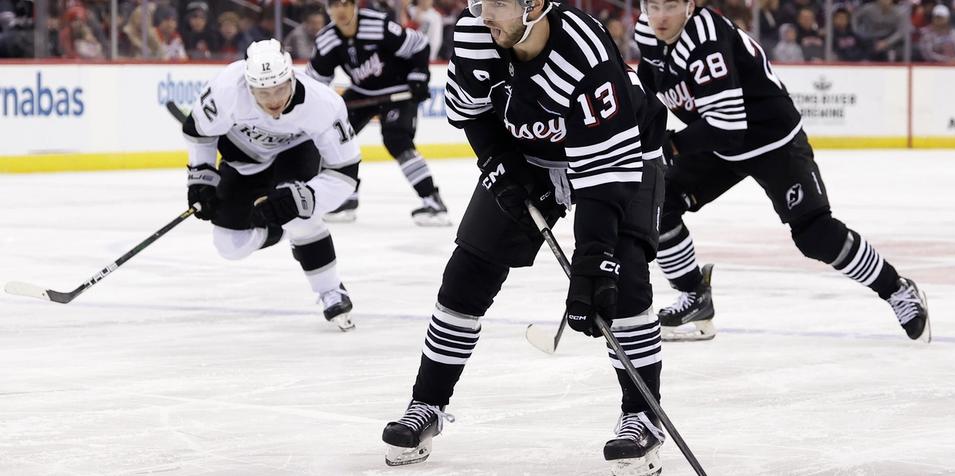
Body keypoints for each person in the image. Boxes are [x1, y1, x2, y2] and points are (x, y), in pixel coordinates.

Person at [380, 0, 668, 473]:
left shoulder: (584, 53)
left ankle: (642, 416)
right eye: (480, 1)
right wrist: (499, 164)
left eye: (498, 2)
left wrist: (593, 263)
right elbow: (471, 112)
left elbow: (605, 178)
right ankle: (426, 404)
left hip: (625, 154)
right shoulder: (476, 35)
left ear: (535, 5)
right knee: (467, 274)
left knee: (624, 280)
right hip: (530, 156)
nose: (484, 14)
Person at [634, 0, 931, 342]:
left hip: (771, 140)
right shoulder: (648, 31)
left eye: (670, 6)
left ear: (689, 6)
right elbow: (651, 83)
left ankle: (897, 289)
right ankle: (694, 296)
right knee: (661, 202)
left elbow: (728, 126)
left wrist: (669, 146)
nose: (660, 16)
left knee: (815, 234)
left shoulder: (706, 40)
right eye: (653, 6)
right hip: (719, 141)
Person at [182, 39, 360, 332]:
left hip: (297, 152)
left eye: (279, 88)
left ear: (291, 78)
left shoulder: (323, 103)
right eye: (263, 92)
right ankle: (282, 227)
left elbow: (345, 173)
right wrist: (201, 179)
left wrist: (305, 198)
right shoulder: (227, 89)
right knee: (229, 246)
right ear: (249, 86)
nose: (273, 99)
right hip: (245, 160)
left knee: (300, 216)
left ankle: (331, 291)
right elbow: (199, 132)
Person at [306, 0, 451, 226]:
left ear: (354, 5)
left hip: (398, 89)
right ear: (328, 9)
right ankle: (346, 197)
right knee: (334, 136)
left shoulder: (377, 25)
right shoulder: (327, 40)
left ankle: (433, 201)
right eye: (334, 5)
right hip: (363, 91)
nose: (340, 10)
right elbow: (314, 82)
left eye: (344, 3)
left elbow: (419, 44)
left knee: (397, 139)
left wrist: (419, 76)